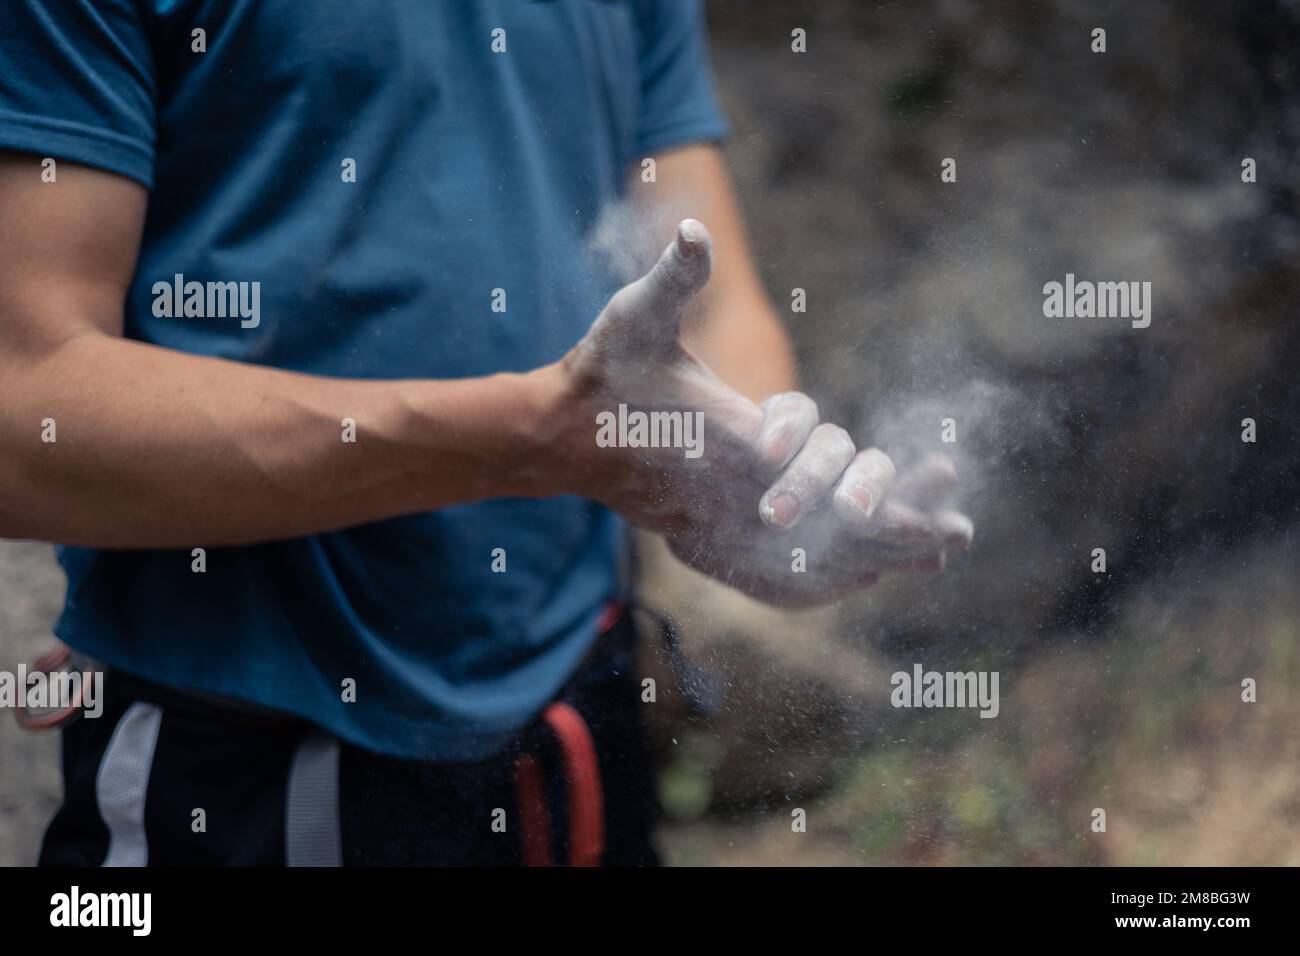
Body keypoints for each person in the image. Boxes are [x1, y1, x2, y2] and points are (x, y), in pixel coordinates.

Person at [0, 0, 971, 865]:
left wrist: (764, 490)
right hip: (264, 752)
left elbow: (704, 300)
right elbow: (23, 406)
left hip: (579, 723)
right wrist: (519, 437)